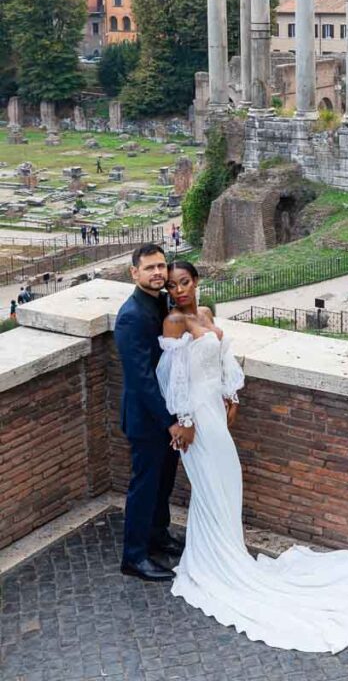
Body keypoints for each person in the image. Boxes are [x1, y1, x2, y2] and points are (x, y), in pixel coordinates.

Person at [157, 260, 348, 653]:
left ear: (196, 281)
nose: (179, 290)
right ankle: (214, 562)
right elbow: (172, 376)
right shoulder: (174, 323)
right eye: (172, 285)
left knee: (227, 485)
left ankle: (224, 551)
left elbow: (221, 359)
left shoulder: (205, 313)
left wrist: (231, 393)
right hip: (196, 418)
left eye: (184, 282)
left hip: (215, 410)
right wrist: (183, 420)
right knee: (212, 486)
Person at [114, 243, 194, 583]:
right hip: (148, 419)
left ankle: (158, 536)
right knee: (144, 486)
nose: (158, 273)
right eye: (150, 268)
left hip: (167, 413)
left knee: (163, 483)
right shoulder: (131, 315)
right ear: (134, 273)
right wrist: (171, 422)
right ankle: (134, 556)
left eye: (161, 266)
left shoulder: (162, 301)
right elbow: (142, 378)